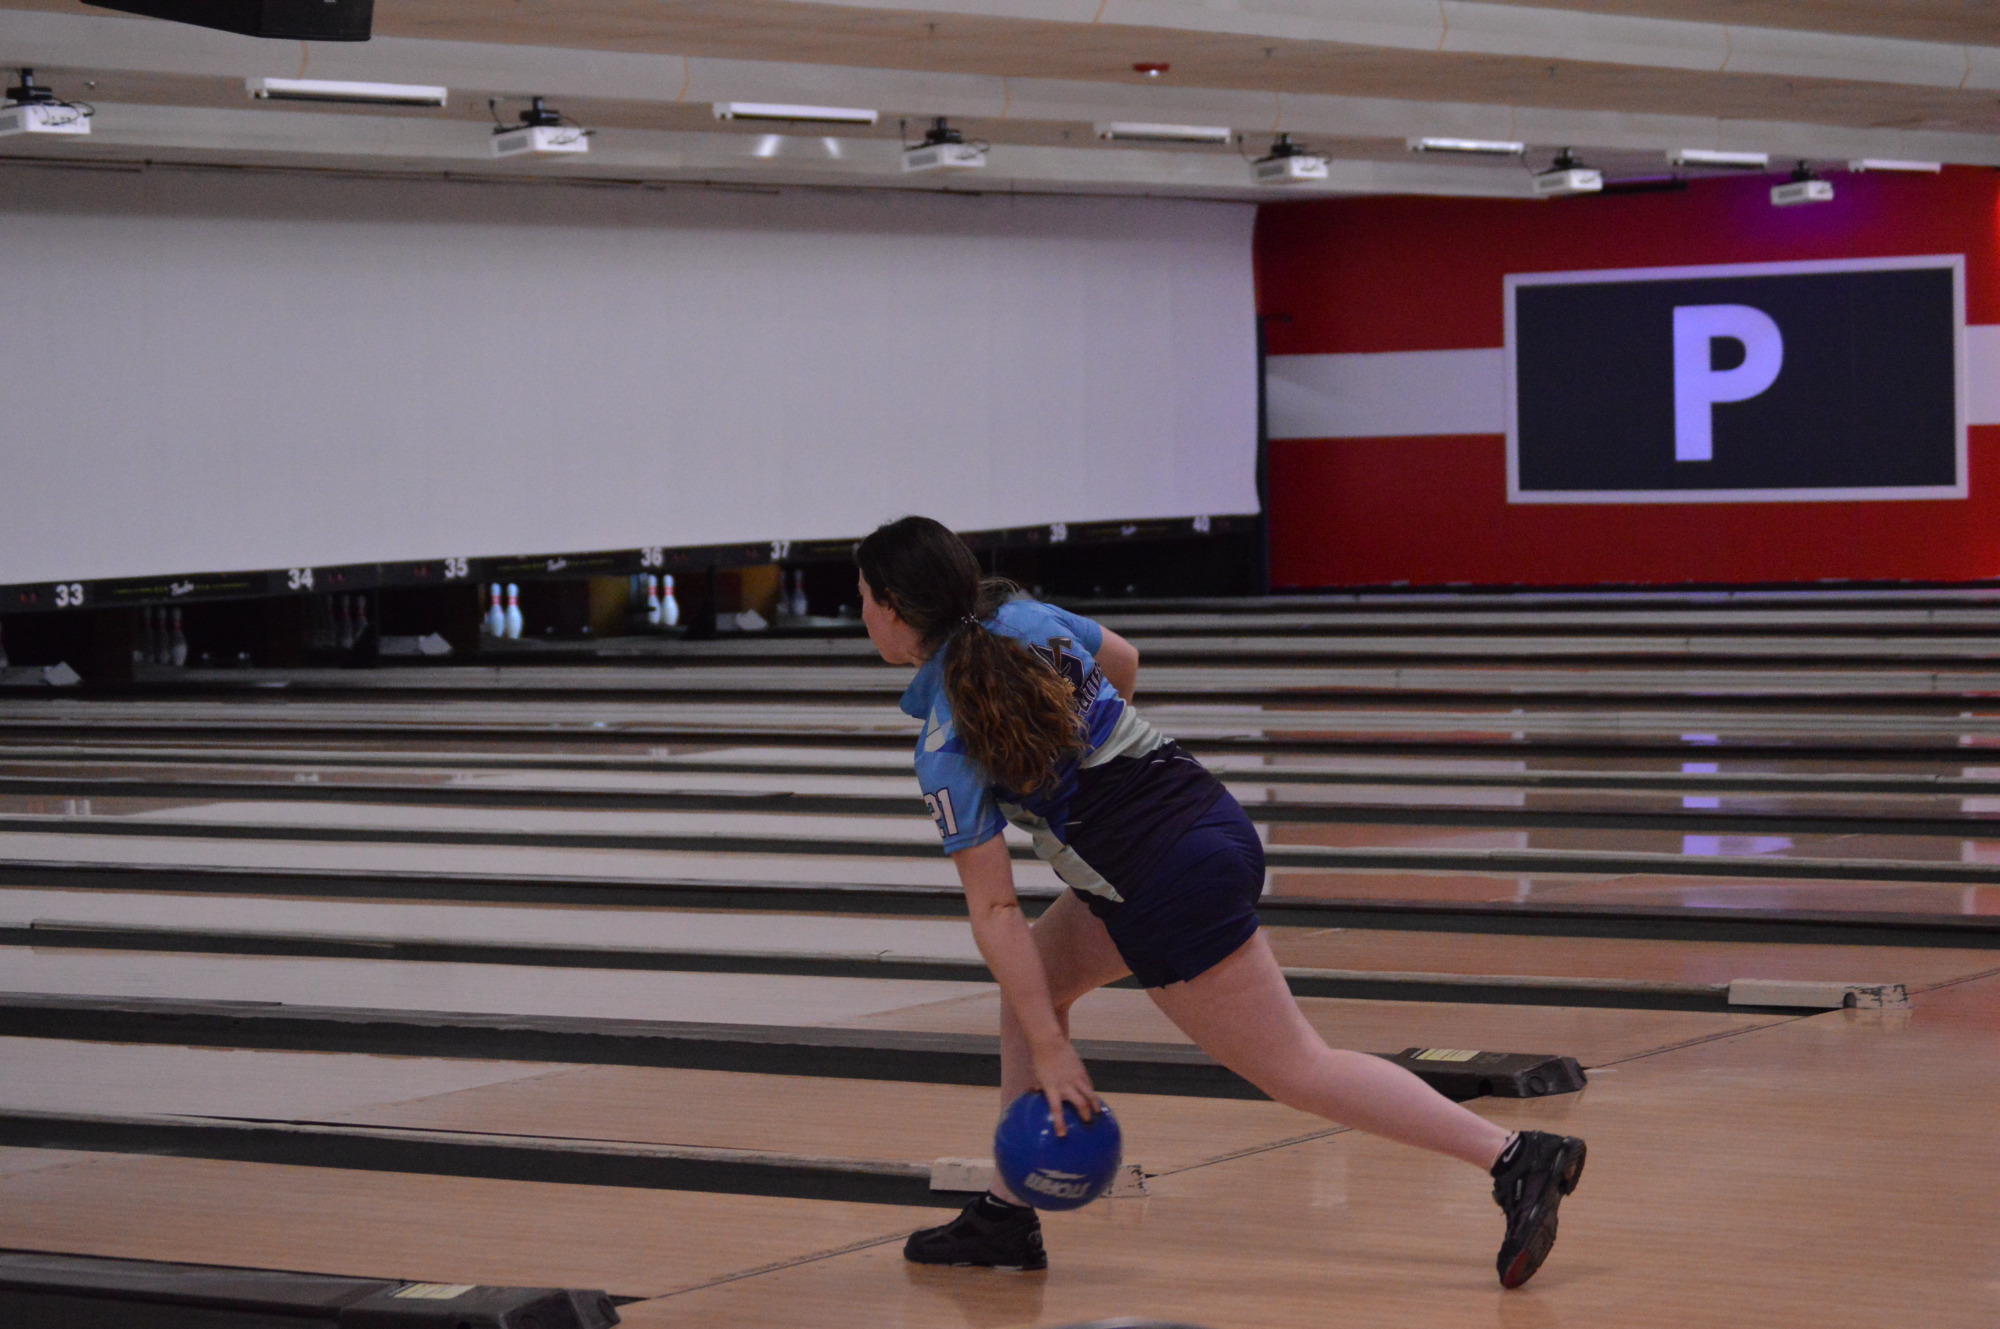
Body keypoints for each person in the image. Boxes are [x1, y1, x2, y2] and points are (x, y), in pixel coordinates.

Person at [855, 516, 1585, 1289]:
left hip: (1163, 884)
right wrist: (1091, 768)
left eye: (863, 597)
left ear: (896, 608)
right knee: (1033, 981)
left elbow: (996, 911)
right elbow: (1125, 664)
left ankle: (1513, 1156)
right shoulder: (1022, 617)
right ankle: (1006, 1212)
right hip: (1211, 820)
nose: (861, 612)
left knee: (1297, 1067)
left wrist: (1054, 1047)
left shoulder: (946, 740)